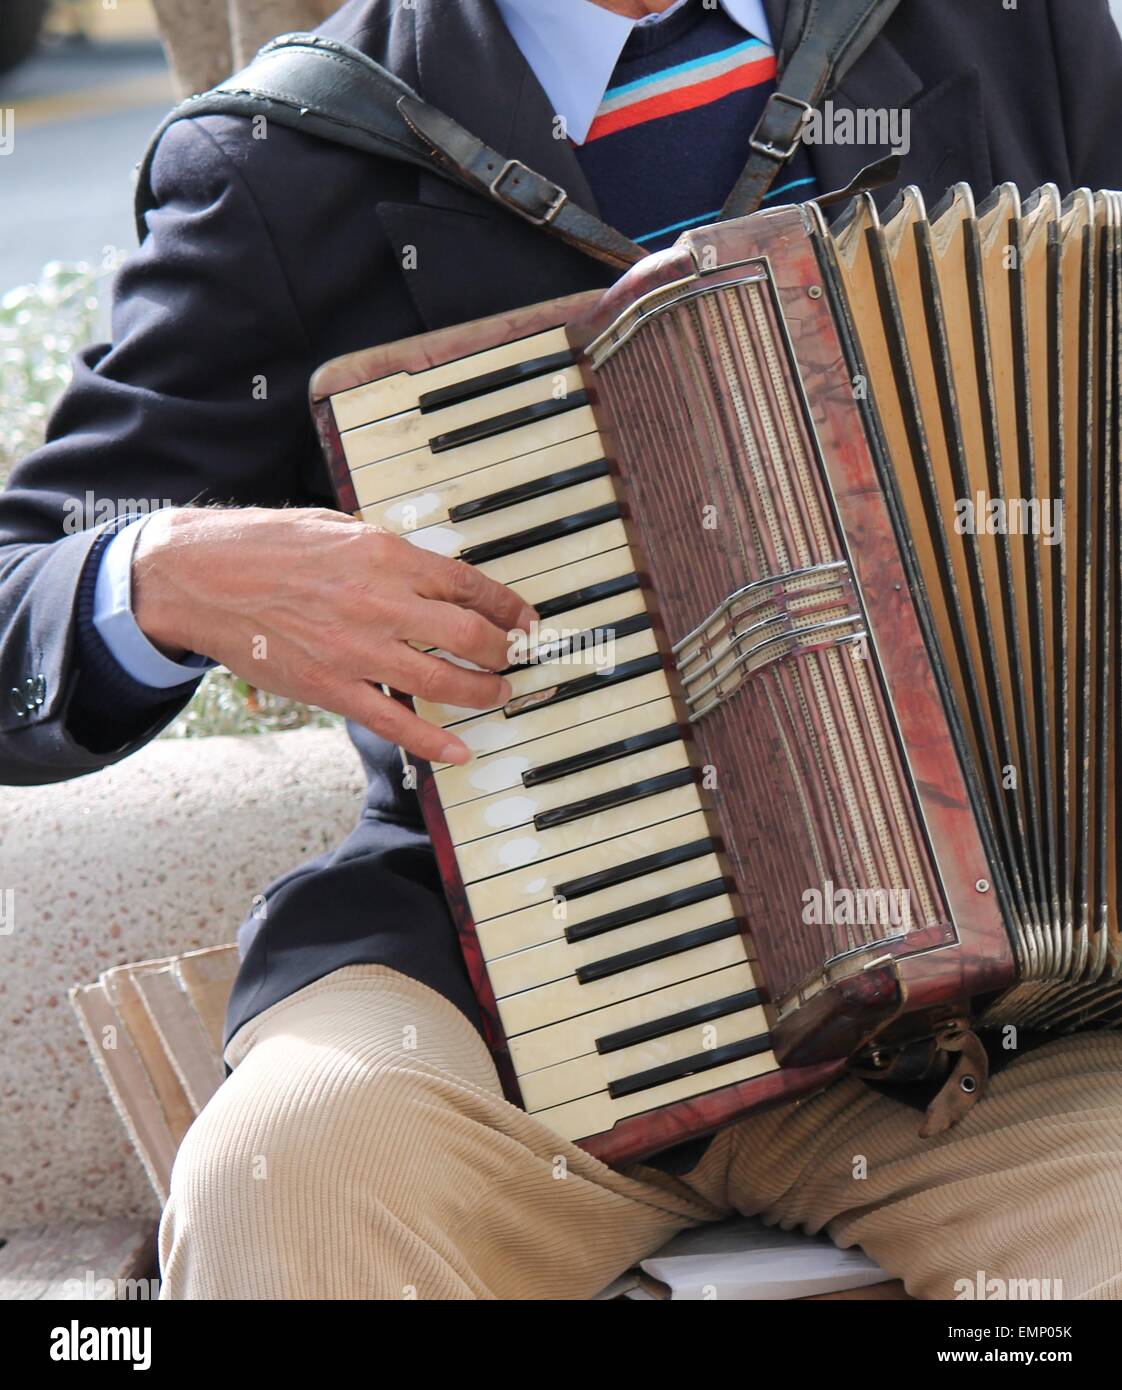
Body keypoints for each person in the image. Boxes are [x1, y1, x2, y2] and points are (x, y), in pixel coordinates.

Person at [3, 0, 1122, 1300]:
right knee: (288, 1171)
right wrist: (164, 576)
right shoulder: (296, 152)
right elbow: (24, 581)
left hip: (975, 1016)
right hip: (496, 988)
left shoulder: (1004, 33)